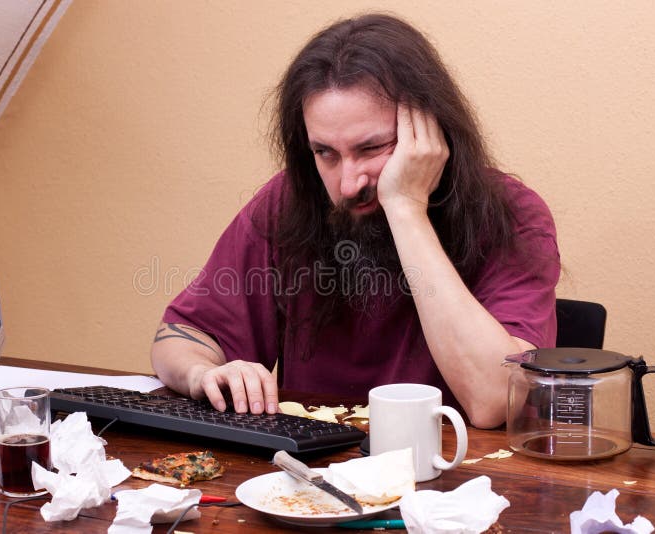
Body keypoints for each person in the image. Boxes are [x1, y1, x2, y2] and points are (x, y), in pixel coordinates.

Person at [151, 13, 560, 429]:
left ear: (431, 134)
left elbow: (495, 400)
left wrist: (405, 207)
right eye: (325, 152)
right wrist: (204, 374)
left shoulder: (514, 215)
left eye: (371, 148)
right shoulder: (288, 201)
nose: (348, 184)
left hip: (452, 476)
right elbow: (180, 338)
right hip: (310, 478)